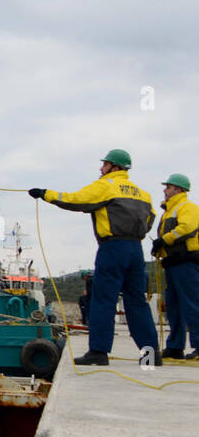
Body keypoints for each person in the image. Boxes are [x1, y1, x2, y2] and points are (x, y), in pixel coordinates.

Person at [29, 149, 158, 366]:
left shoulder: (105, 186)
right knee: (137, 302)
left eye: (105, 164)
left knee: (102, 299)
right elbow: (151, 218)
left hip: (112, 248)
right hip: (136, 249)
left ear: (114, 167)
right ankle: (151, 355)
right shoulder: (142, 193)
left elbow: (75, 200)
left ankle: (98, 351)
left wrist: (45, 193)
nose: (101, 168)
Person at [152, 174, 199, 360]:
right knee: (174, 306)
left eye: (168, 187)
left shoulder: (187, 207)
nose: (165, 190)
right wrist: (160, 248)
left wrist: (164, 239)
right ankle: (175, 346)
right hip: (173, 263)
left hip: (186, 262)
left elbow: (187, 228)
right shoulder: (168, 211)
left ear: (178, 189)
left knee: (192, 304)